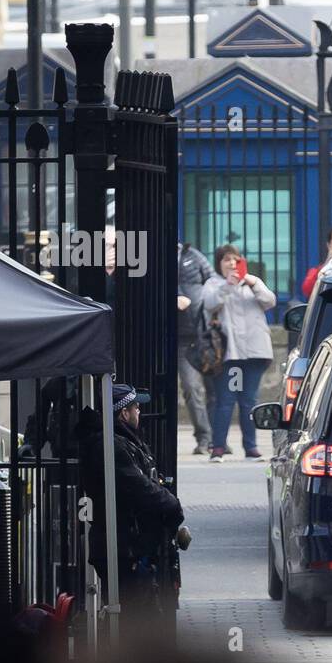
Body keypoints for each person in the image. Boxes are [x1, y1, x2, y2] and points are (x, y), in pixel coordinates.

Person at [77, 384, 190, 637]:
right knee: (134, 617)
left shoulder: (123, 441)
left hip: (131, 544)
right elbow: (138, 487)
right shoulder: (110, 446)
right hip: (122, 547)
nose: (139, 411)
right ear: (122, 413)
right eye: (136, 407)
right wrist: (172, 505)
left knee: (141, 611)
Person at [201, 244, 277, 462]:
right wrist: (227, 286)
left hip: (254, 352)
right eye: (227, 260)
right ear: (219, 264)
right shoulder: (214, 284)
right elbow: (209, 304)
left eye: (235, 260)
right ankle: (218, 447)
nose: (232, 264)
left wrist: (253, 284)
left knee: (249, 401)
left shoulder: (252, 281)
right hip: (229, 354)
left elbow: (269, 301)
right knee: (225, 400)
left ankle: (251, 446)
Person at [177, 242, 215, 455]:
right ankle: (204, 437)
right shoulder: (153, 256)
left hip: (202, 333)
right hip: (177, 336)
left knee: (212, 390)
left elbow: (211, 281)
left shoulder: (193, 255)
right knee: (191, 388)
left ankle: (212, 439)